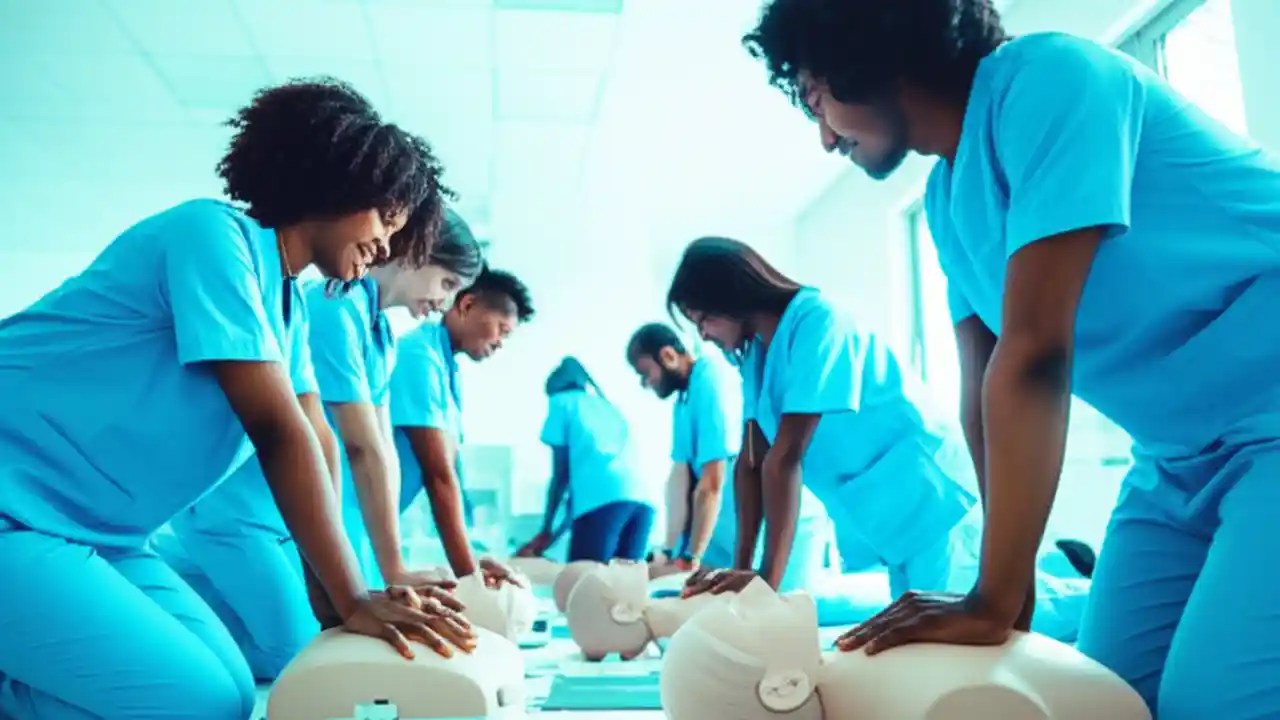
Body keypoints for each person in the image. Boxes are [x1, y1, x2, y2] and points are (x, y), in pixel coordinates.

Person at [743, 1, 1280, 717]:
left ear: (861, 56)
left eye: (816, 98)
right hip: (1177, 462)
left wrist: (993, 597)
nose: (824, 136)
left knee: (1211, 701)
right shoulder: (943, 200)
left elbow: (1035, 351)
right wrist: (1008, 583)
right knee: (1100, 697)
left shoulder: (1052, 79)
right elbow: (984, 388)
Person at [0, 78, 474, 720]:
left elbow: (318, 440)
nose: (387, 247)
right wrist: (354, 594)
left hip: (106, 535)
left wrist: (333, 597)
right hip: (16, 514)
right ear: (338, 187)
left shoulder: (290, 310)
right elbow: (277, 431)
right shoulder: (211, 237)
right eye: (387, 220)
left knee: (226, 696)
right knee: (183, 699)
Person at [669, 238, 1090, 641]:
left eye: (703, 318)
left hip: (930, 498)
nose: (703, 334)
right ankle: (1067, 569)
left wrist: (764, 582)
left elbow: (786, 456)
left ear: (731, 297)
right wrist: (742, 571)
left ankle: (1097, 590)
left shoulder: (818, 320)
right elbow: (751, 461)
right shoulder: (755, 357)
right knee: (918, 635)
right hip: (884, 517)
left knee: (1004, 620)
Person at [156, 206, 484, 680]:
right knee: (297, 657)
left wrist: (395, 567)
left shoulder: (381, 332)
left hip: (283, 520)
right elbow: (359, 448)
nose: (443, 301)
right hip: (240, 513)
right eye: (447, 284)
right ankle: (165, 594)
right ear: (415, 252)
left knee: (324, 639)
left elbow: (380, 451)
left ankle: (182, 580)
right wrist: (392, 568)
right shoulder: (335, 304)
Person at [625, 322, 831, 592]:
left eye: (644, 372)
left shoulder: (711, 378)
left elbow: (712, 481)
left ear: (668, 356)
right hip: (728, 534)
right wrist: (670, 549)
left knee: (784, 612)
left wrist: (690, 557)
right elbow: (680, 479)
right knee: (698, 600)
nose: (644, 383)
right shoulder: (683, 402)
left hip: (783, 525)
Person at [391, 267, 535, 588]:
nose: (500, 343)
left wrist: (469, 558)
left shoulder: (446, 367)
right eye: (501, 329)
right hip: (339, 515)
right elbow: (438, 477)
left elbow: (450, 474)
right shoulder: (419, 355)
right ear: (467, 305)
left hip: (369, 524)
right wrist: (470, 578)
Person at [514, 357, 657, 563]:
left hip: (602, 501)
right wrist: (551, 537)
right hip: (643, 500)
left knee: (583, 584)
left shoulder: (562, 402)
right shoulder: (609, 408)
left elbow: (561, 476)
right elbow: (579, 502)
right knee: (626, 585)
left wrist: (545, 529)